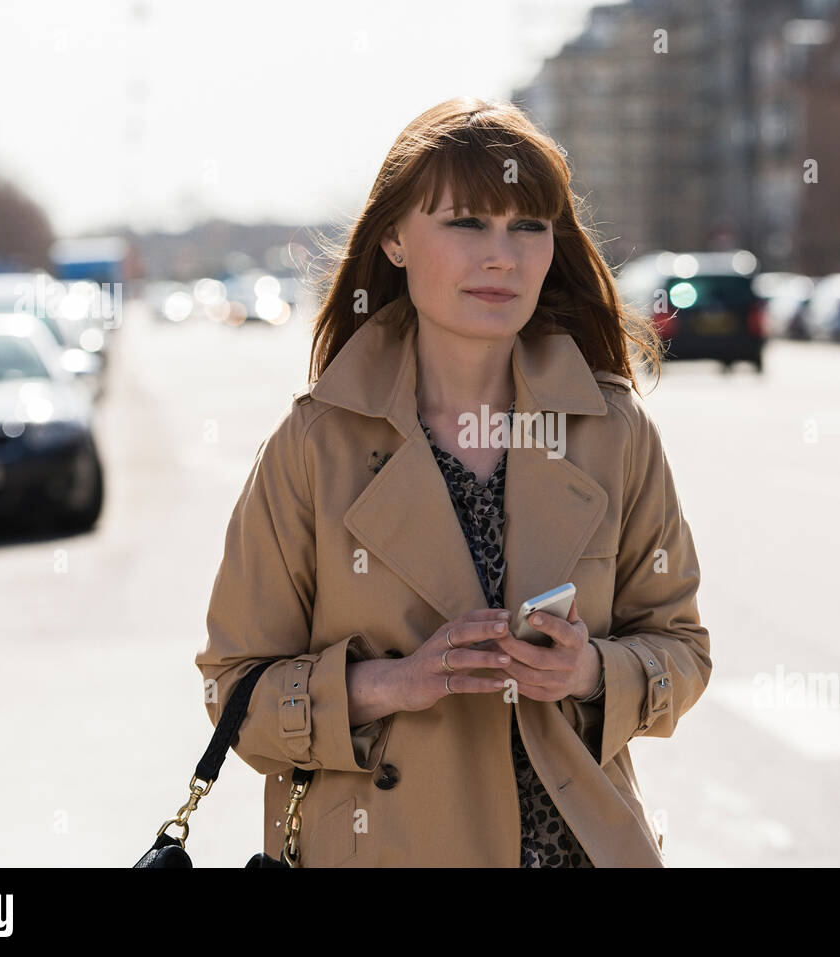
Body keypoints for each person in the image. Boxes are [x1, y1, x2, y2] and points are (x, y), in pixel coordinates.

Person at [195, 96, 711, 867]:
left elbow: (681, 648)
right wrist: (392, 684)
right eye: (467, 223)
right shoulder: (313, 445)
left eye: (528, 226)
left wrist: (591, 669)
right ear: (396, 239)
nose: (502, 255)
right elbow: (233, 692)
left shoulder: (613, 430)